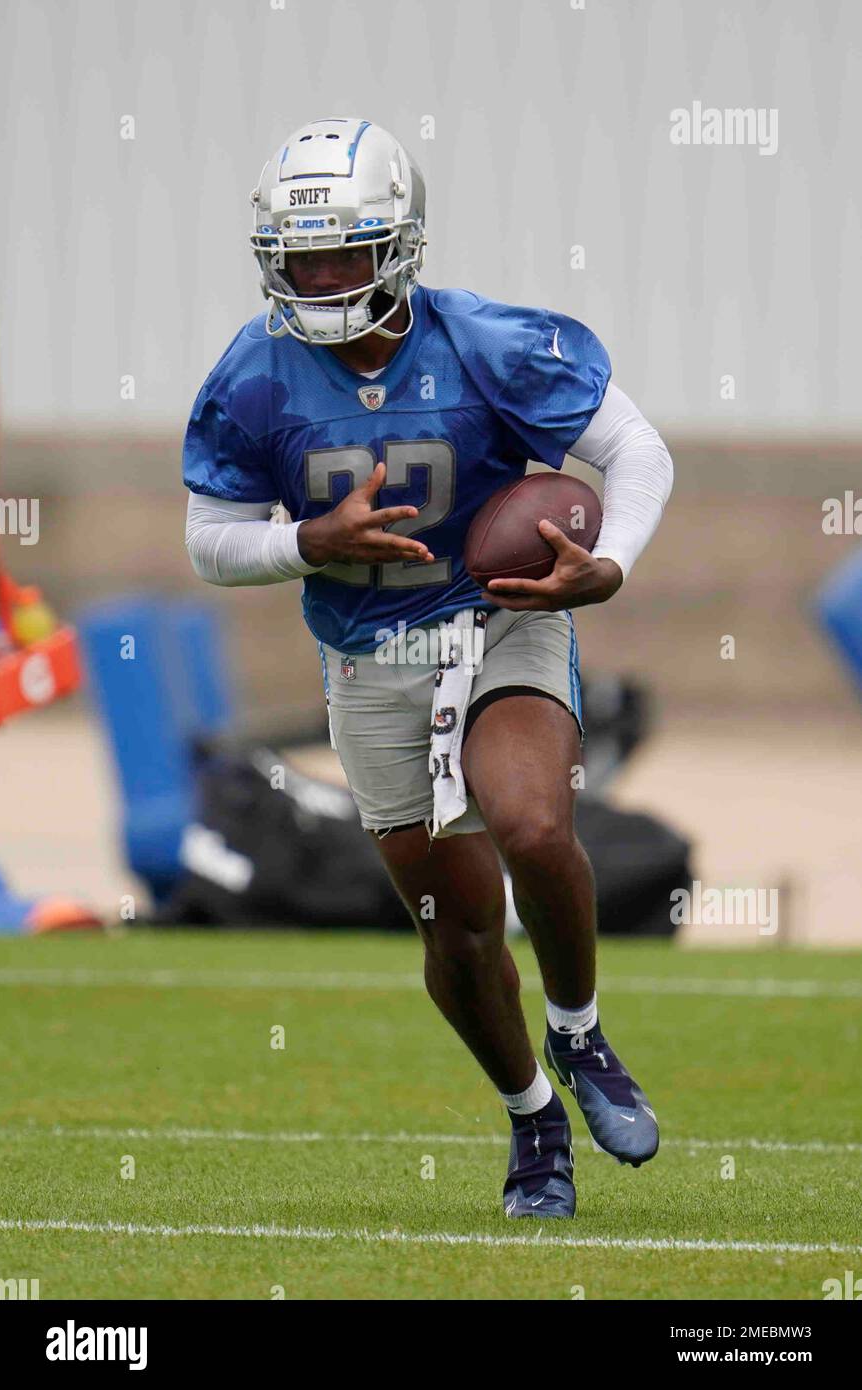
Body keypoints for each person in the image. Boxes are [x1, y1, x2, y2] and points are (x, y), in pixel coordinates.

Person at [184, 117, 673, 1218]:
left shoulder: (486, 342)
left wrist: (607, 563)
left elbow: (633, 451)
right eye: (297, 255)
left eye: (340, 253)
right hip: (369, 660)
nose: (315, 276)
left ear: (396, 246)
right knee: (452, 926)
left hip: (501, 615)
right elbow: (210, 541)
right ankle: (527, 1114)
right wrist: (308, 542)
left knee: (532, 823)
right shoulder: (252, 377)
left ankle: (579, 1034)